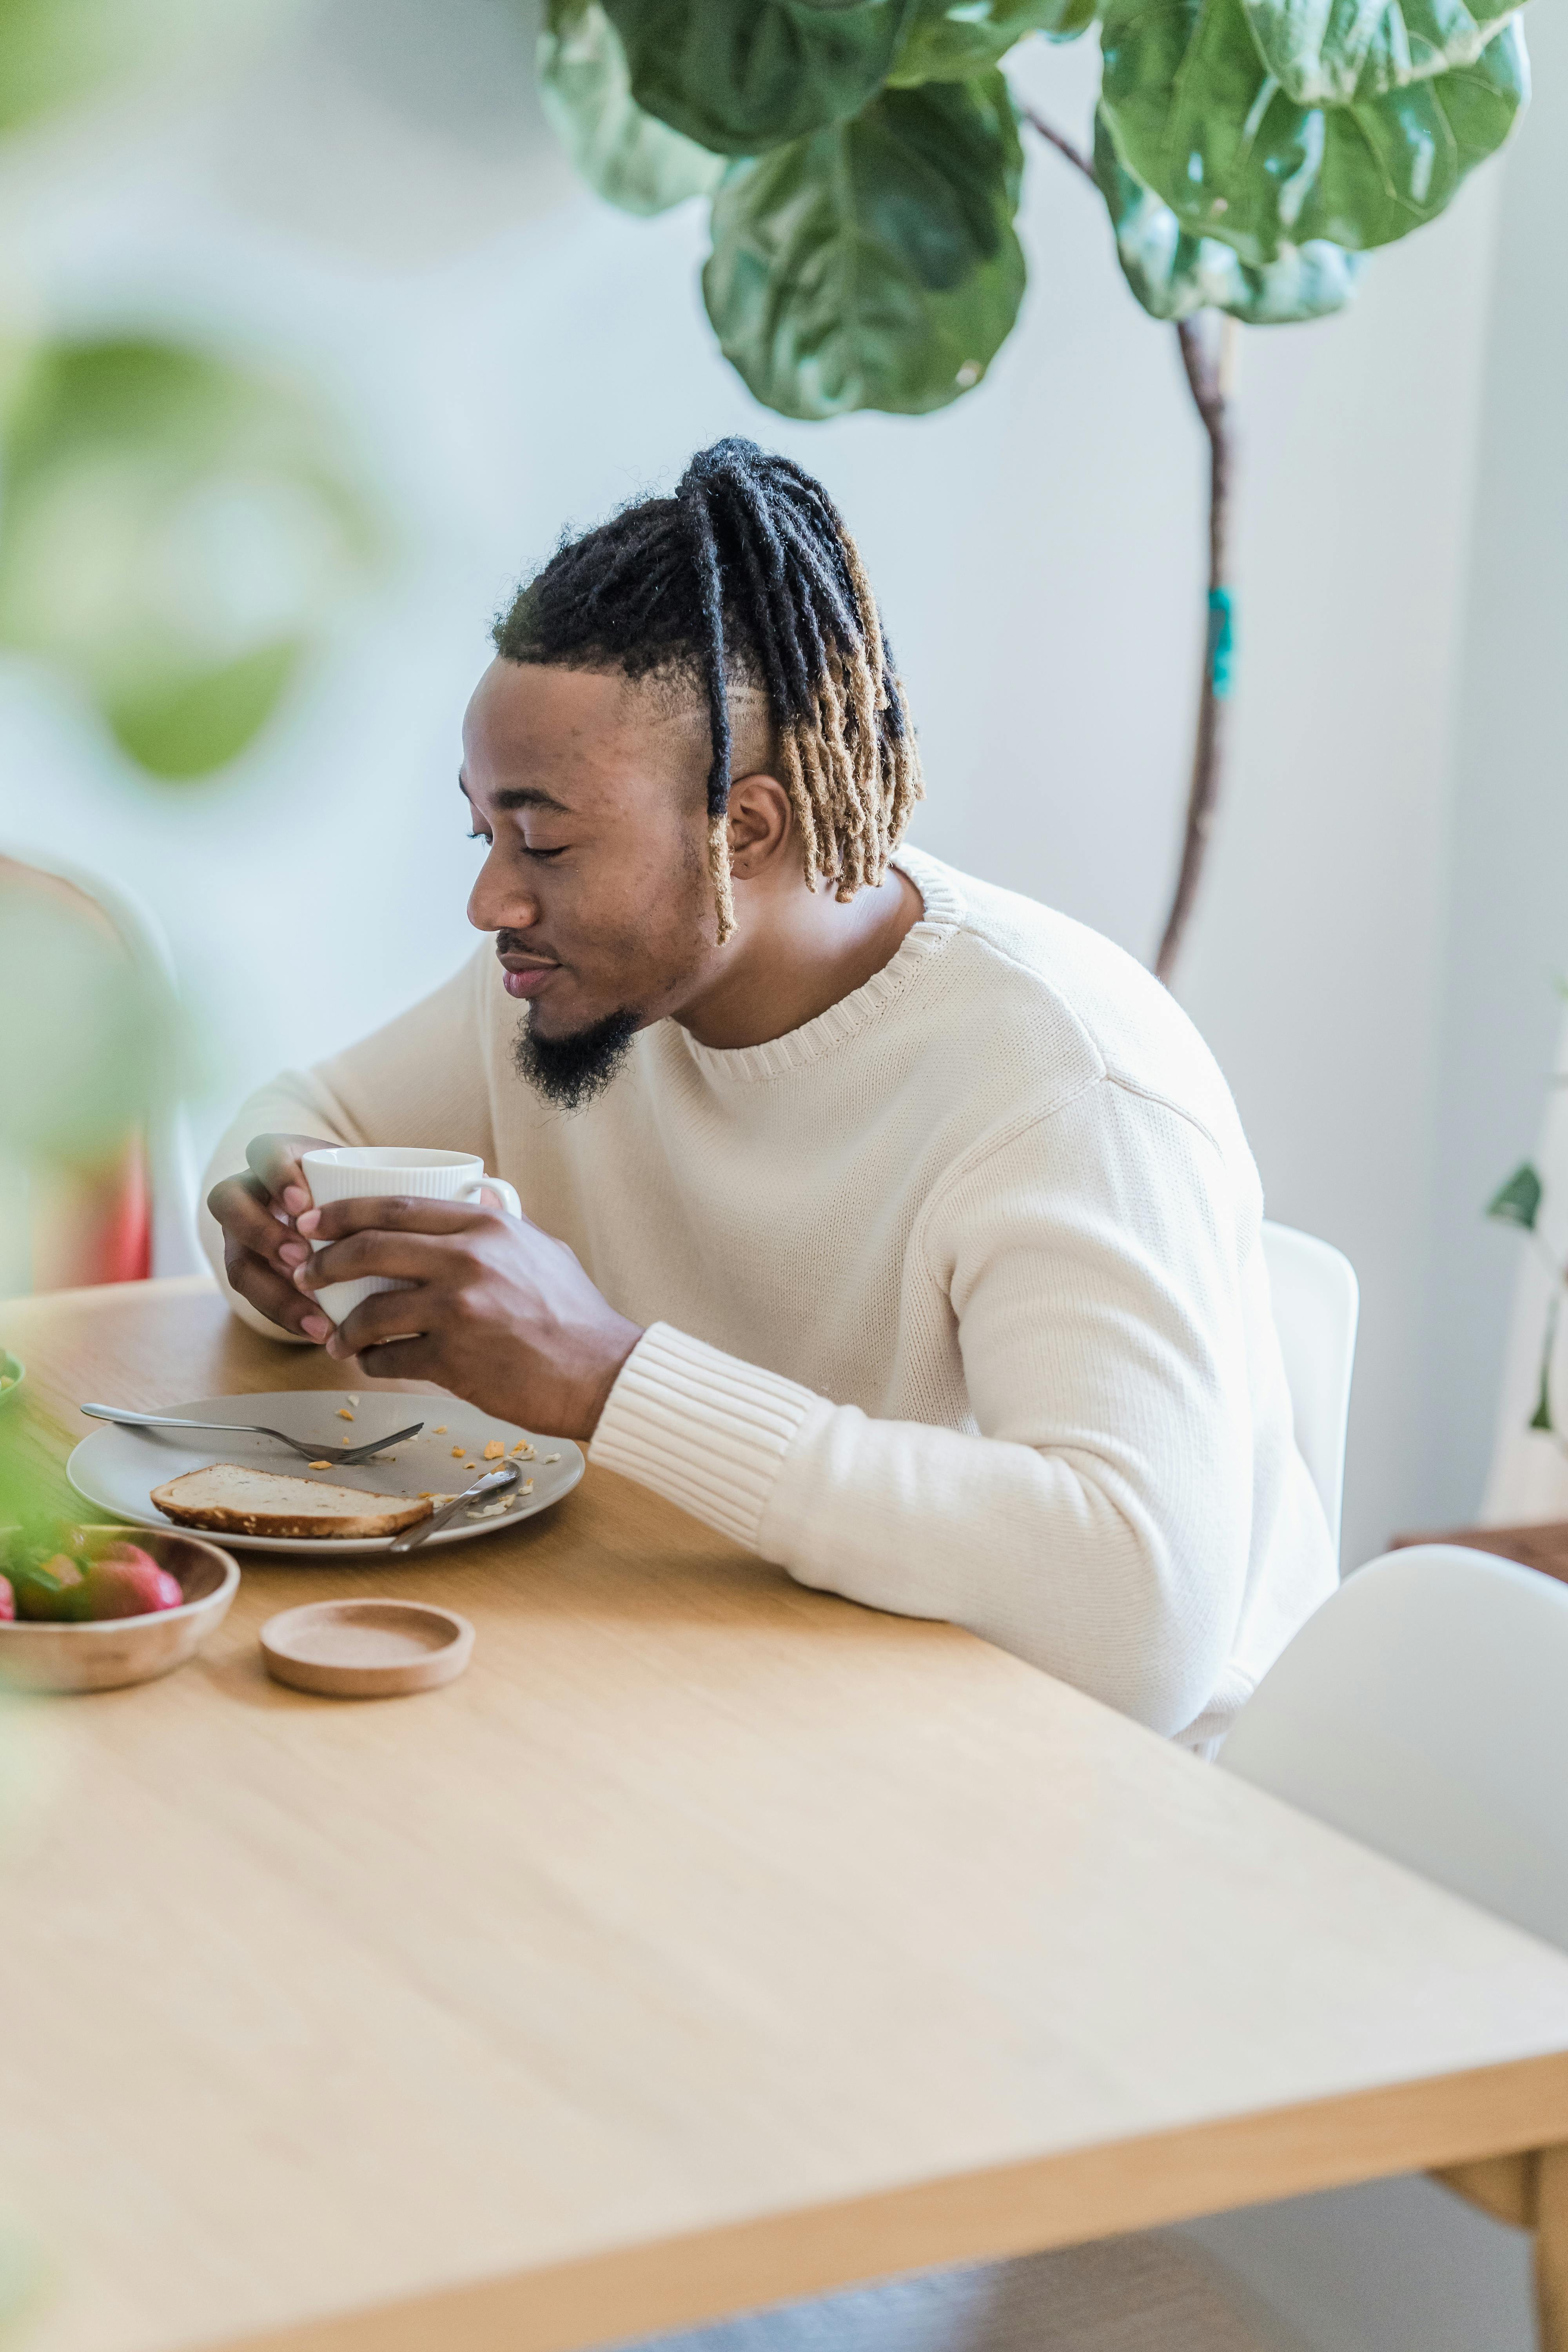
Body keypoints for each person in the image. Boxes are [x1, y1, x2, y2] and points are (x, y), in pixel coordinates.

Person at [203, 436, 1333, 1750]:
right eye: (485, 833)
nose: (492, 903)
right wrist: (278, 1224)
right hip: (752, 1689)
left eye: (547, 841)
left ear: (746, 827)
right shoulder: (572, 983)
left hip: (1097, 1791)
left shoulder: (1066, 1079)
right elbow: (312, 1116)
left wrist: (609, 1378)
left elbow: (1140, 1619)